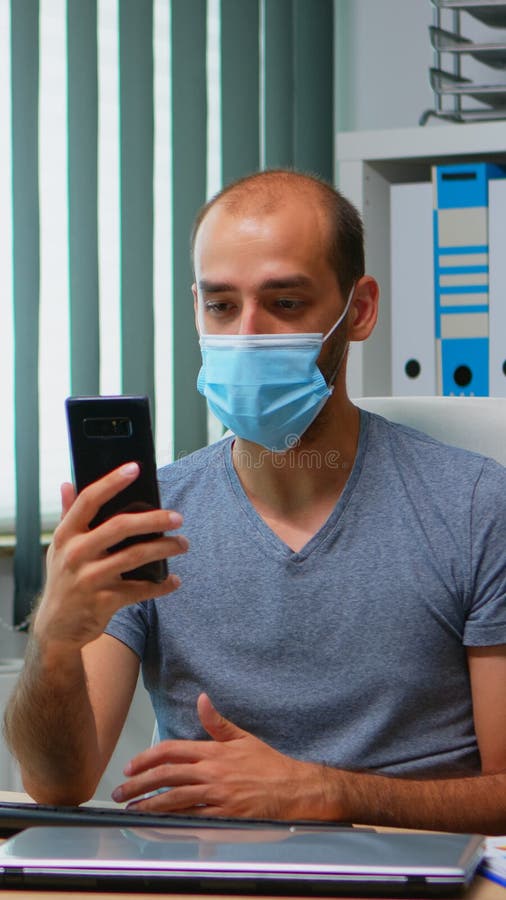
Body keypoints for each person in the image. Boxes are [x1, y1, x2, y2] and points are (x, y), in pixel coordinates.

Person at [4, 170, 506, 834]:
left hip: (409, 869)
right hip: (203, 872)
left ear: (358, 310)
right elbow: (57, 784)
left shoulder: (476, 506)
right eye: (221, 305)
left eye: (286, 303)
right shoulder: (149, 516)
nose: (247, 335)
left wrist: (331, 793)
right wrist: (55, 639)